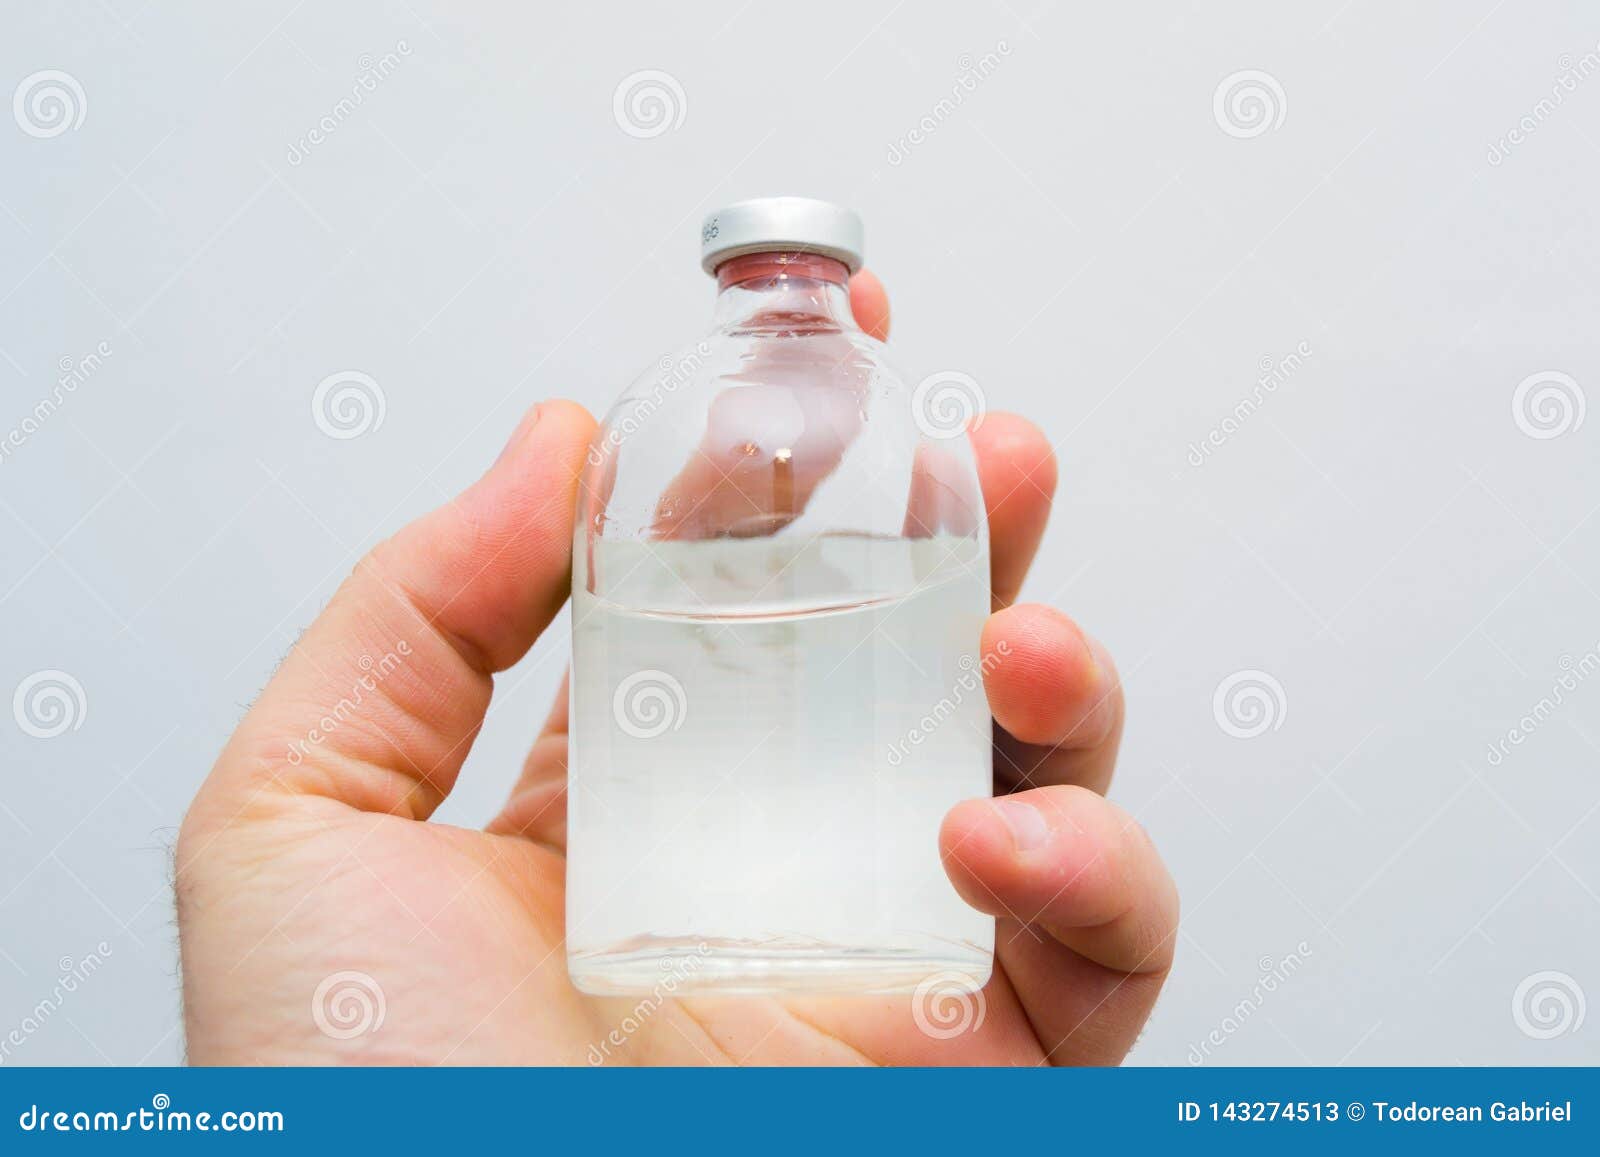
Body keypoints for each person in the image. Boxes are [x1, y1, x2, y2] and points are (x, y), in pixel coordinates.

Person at [176, 272, 1178, 1065]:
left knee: (1022, 709)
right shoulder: (655, 415)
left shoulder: (887, 419)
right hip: (651, 957)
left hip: (885, 961)